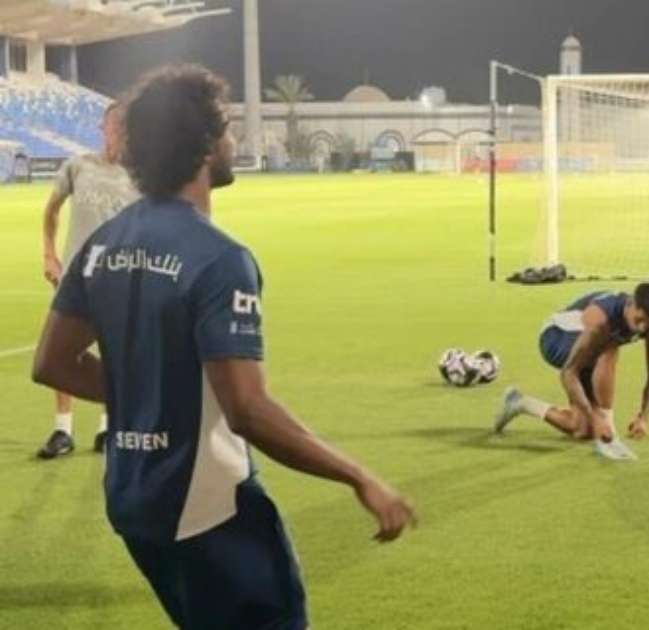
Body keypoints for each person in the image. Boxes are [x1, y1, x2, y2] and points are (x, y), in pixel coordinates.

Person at [31, 64, 416, 629]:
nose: (234, 141)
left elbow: (52, 363)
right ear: (207, 145)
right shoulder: (219, 258)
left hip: (132, 497)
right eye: (229, 129)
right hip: (206, 504)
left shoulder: (102, 245)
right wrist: (358, 476)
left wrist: (145, 393)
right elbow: (248, 409)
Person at [36, 102, 139, 458]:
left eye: (126, 126)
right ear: (103, 128)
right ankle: (62, 429)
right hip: (76, 277)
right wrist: (50, 253)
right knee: (63, 349)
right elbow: (51, 211)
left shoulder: (139, 178)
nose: (119, 133)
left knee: (115, 351)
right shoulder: (78, 166)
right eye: (114, 125)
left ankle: (107, 425)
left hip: (120, 278)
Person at [494, 284, 649, 460]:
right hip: (556, 339)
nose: (641, 328)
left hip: (590, 352)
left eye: (648, 323)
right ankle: (610, 435)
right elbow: (569, 372)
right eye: (639, 320)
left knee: (583, 429)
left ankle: (519, 402)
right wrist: (598, 418)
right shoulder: (600, 318)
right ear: (631, 304)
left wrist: (643, 417)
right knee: (609, 344)